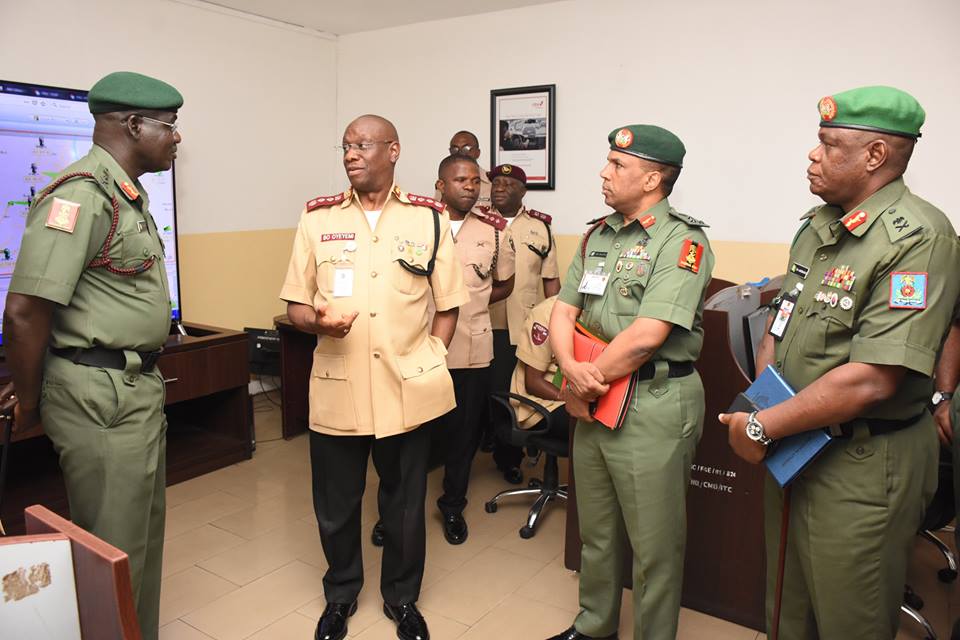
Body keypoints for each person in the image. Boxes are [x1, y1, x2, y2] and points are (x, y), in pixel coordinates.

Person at [719, 86, 960, 640]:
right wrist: (767, 408)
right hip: (794, 445)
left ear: (874, 156)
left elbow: (875, 378)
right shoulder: (817, 226)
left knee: (848, 617)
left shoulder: (919, 237)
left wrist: (760, 424)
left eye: (828, 145)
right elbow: (778, 327)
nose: (813, 154)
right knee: (786, 605)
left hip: (862, 462)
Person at [2, 71, 182, 640]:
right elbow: (26, 311)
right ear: (132, 125)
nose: (177, 138)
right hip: (99, 394)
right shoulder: (80, 194)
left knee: (141, 541)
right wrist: (28, 400)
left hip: (135, 389)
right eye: (170, 127)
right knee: (114, 546)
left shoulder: (126, 191)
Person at [280, 114, 468, 640]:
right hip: (338, 388)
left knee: (405, 506)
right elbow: (295, 304)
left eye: (363, 145)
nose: (351, 155)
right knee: (336, 506)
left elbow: (448, 304)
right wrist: (316, 320)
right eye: (345, 146)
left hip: (407, 388)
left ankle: (402, 599)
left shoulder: (428, 219)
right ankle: (340, 595)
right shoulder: (317, 219)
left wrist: (431, 355)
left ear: (394, 150)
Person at [547, 125, 713, 640]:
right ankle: (595, 624)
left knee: (654, 545)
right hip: (594, 400)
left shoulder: (682, 240)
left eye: (618, 165)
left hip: (654, 400)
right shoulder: (597, 234)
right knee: (595, 530)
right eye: (608, 162)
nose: (604, 172)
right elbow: (562, 310)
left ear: (653, 178)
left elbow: (647, 336)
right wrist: (572, 374)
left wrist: (581, 380)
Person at [432, 154, 514, 544]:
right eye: (460, 180)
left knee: (463, 435)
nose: (470, 186)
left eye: (474, 181)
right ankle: (396, 509)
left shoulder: (494, 231)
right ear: (441, 185)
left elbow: (505, 284)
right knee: (413, 435)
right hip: (422, 349)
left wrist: (475, 299)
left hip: (470, 347)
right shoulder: (418, 225)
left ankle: (452, 505)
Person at [487, 164, 560, 482]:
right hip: (483, 322)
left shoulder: (540, 229)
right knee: (481, 390)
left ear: (523, 190)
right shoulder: (478, 223)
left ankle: (509, 458)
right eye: (496, 183)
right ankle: (482, 442)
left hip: (525, 326)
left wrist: (557, 327)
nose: (499, 187)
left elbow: (551, 282)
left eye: (508, 183)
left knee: (511, 392)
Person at [509, 294, 568, 438]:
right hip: (540, 403)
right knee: (585, 426)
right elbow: (533, 382)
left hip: (577, 392)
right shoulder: (547, 312)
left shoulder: (601, 315)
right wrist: (570, 399)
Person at [433, 130, 491, 208]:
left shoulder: (492, 182)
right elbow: (438, 210)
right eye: (455, 149)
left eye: (466, 148)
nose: (460, 152)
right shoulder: (446, 182)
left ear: (478, 153)